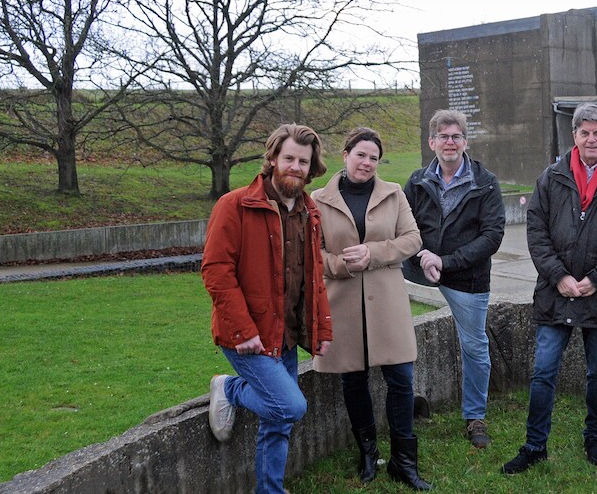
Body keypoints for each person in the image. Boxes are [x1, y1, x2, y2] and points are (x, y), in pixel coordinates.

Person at [502, 102, 597, 475]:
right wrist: (558, 276)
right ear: (575, 136)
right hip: (557, 292)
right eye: (584, 132)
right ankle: (535, 445)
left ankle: (594, 438)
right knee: (544, 371)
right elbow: (536, 230)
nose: (591, 138)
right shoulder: (551, 177)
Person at [202, 123, 334, 494]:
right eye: (289, 158)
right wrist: (243, 331)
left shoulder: (310, 213)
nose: (295, 166)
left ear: (312, 168)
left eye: (303, 161)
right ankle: (229, 388)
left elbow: (315, 277)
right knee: (290, 407)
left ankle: (269, 490)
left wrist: (321, 330)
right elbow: (216, 272)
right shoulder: (235, 205)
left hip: (287, 333)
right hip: (248, 336)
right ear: (273, 158)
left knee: (278, 422)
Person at [310, 127, 432, 491]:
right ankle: (367, 453)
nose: (367, 163)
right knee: (353, 380)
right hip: (343, 302)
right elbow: (311, 254)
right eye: (360, 155)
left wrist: (373, 254)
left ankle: (403, 461)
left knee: (401, 379)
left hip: (388, 301)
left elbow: (413, 239)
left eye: (374, 158)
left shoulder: (393, 194)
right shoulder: (317, 199)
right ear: (345, 154)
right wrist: (343, 264)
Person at [403, 109, 505, 449]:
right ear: (432, 142)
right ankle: (405, 404)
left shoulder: (485, 182)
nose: (450, 142)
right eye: (443, 136)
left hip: (468, 279)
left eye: (456, 136)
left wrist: (444, 262)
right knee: (395, 334)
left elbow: (491, 237)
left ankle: (475, 416)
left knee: (475, 347)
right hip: (419, 270)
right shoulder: (417, 181)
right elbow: (404, 227)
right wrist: (422, 257)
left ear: (465, 141)